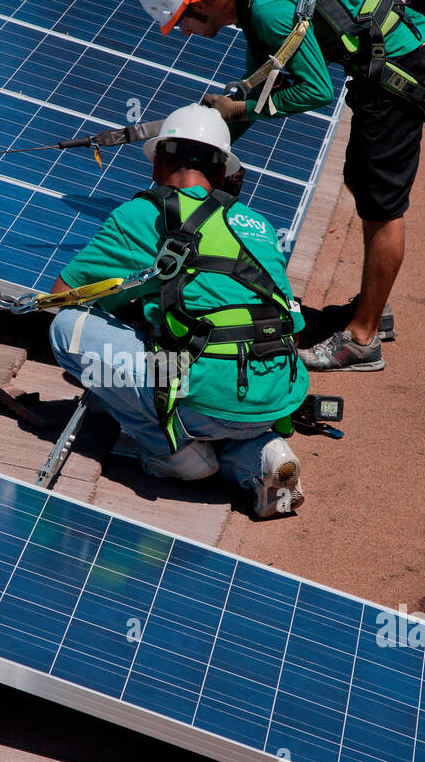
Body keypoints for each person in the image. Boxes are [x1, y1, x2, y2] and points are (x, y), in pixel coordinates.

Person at [133, 0, 425, 371]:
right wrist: (205, 142)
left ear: (200, 6)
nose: (182, 33)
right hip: (383, 73)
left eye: (179, 22)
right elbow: (256, 88)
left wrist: (237, 110)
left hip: (400, 81)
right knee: (362, 184)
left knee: (383, 206)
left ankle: (362, 338)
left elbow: (315, 91)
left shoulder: (266, 11)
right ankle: (373, 307)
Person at [47, 104, 309, 519]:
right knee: (217, 385)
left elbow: (63, 296)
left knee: (66, 329)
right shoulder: (256, 222)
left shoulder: (142, 214)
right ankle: (263, 456)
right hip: (276, 395)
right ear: (223, 175)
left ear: (159, 163)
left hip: (204, 398)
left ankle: (179, 454)